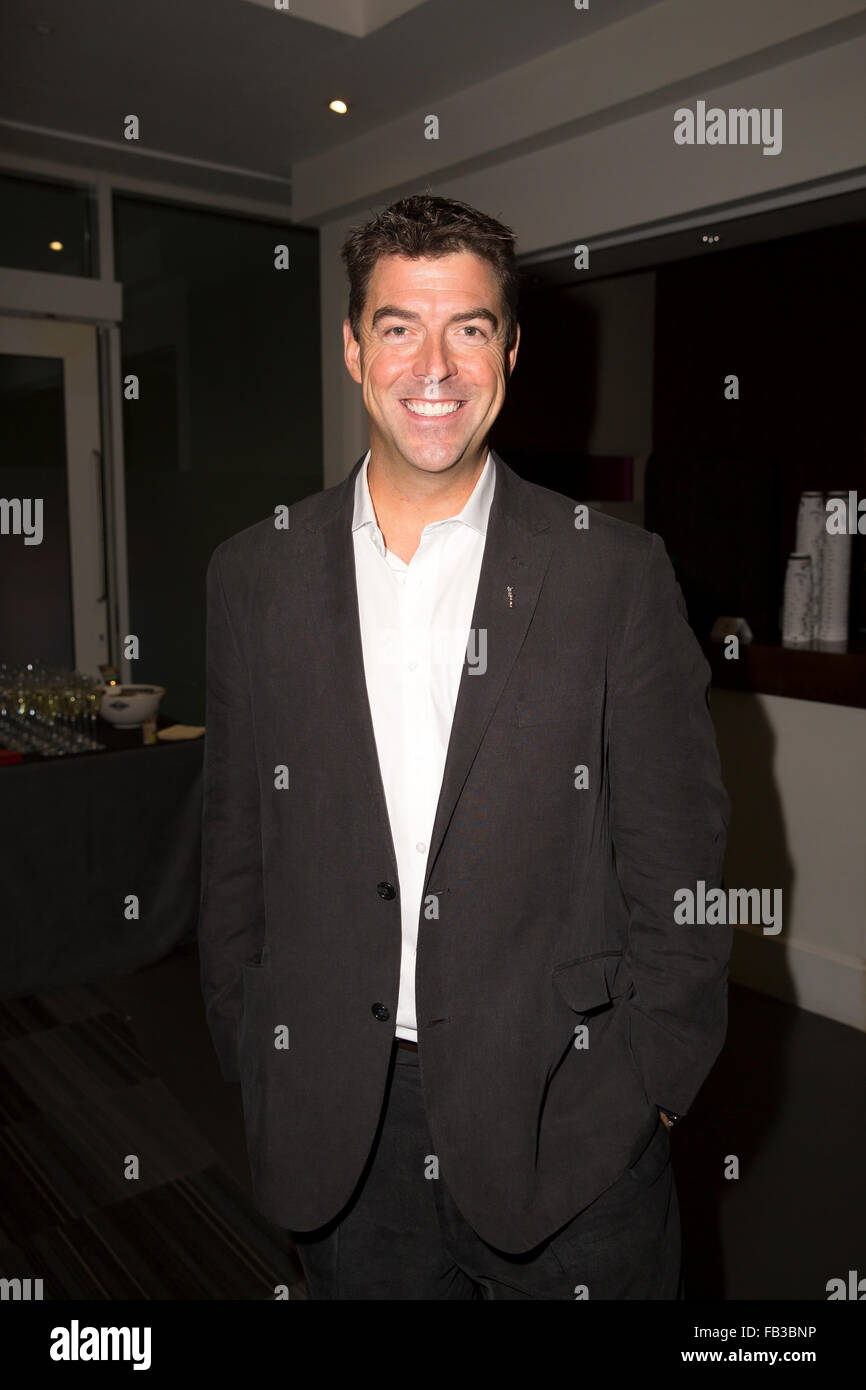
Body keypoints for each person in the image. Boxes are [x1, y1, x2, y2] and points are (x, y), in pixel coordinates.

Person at [198, 194, 730, 1300]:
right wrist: (257, 1053)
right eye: (398, 326)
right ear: (353, 346)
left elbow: (682, 869)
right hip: (340, 1129)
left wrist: (652, 1086)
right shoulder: (253, 575)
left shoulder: (613, 576)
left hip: (566, 1113)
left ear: (509, 350)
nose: (432, 365)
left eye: (469, 328)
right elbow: (235, 853)